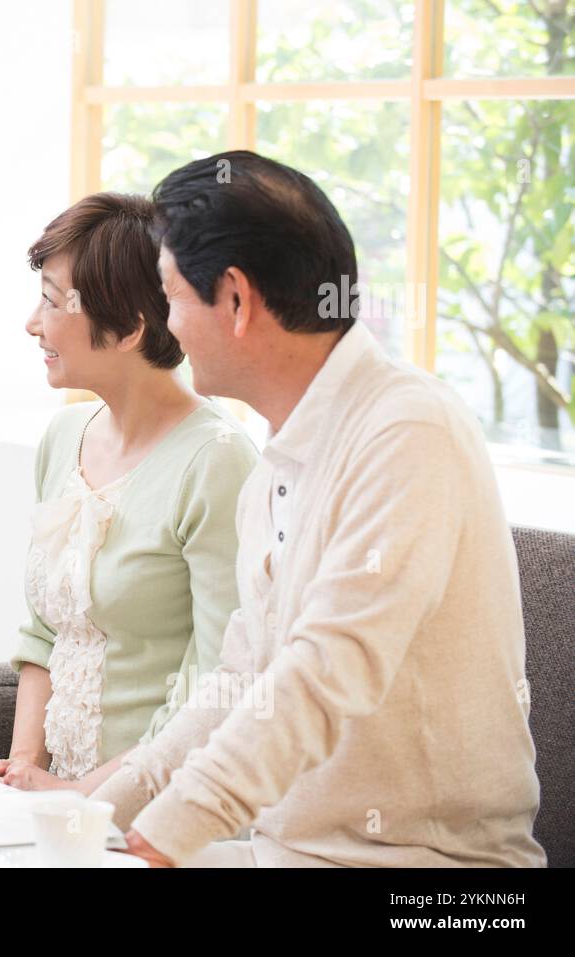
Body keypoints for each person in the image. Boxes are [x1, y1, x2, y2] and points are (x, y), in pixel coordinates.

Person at [79, 151, 545, 867]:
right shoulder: (276, 463)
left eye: (172, 296)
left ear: (235, 300)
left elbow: (328, 667)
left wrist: (166, 837)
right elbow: (243, 677)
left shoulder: (406, 430)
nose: (167, 323)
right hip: (291, 852)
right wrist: (103, 808)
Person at [0, 193, 258, 791]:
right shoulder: (63, 436)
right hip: (59, 804)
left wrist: (81, 798)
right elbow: (42, 633)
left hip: (170, 811)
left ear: (131, 327)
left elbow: (219, 691)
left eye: (53, 302)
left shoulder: (217, 462)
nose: (33, 324)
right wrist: (25, 769)